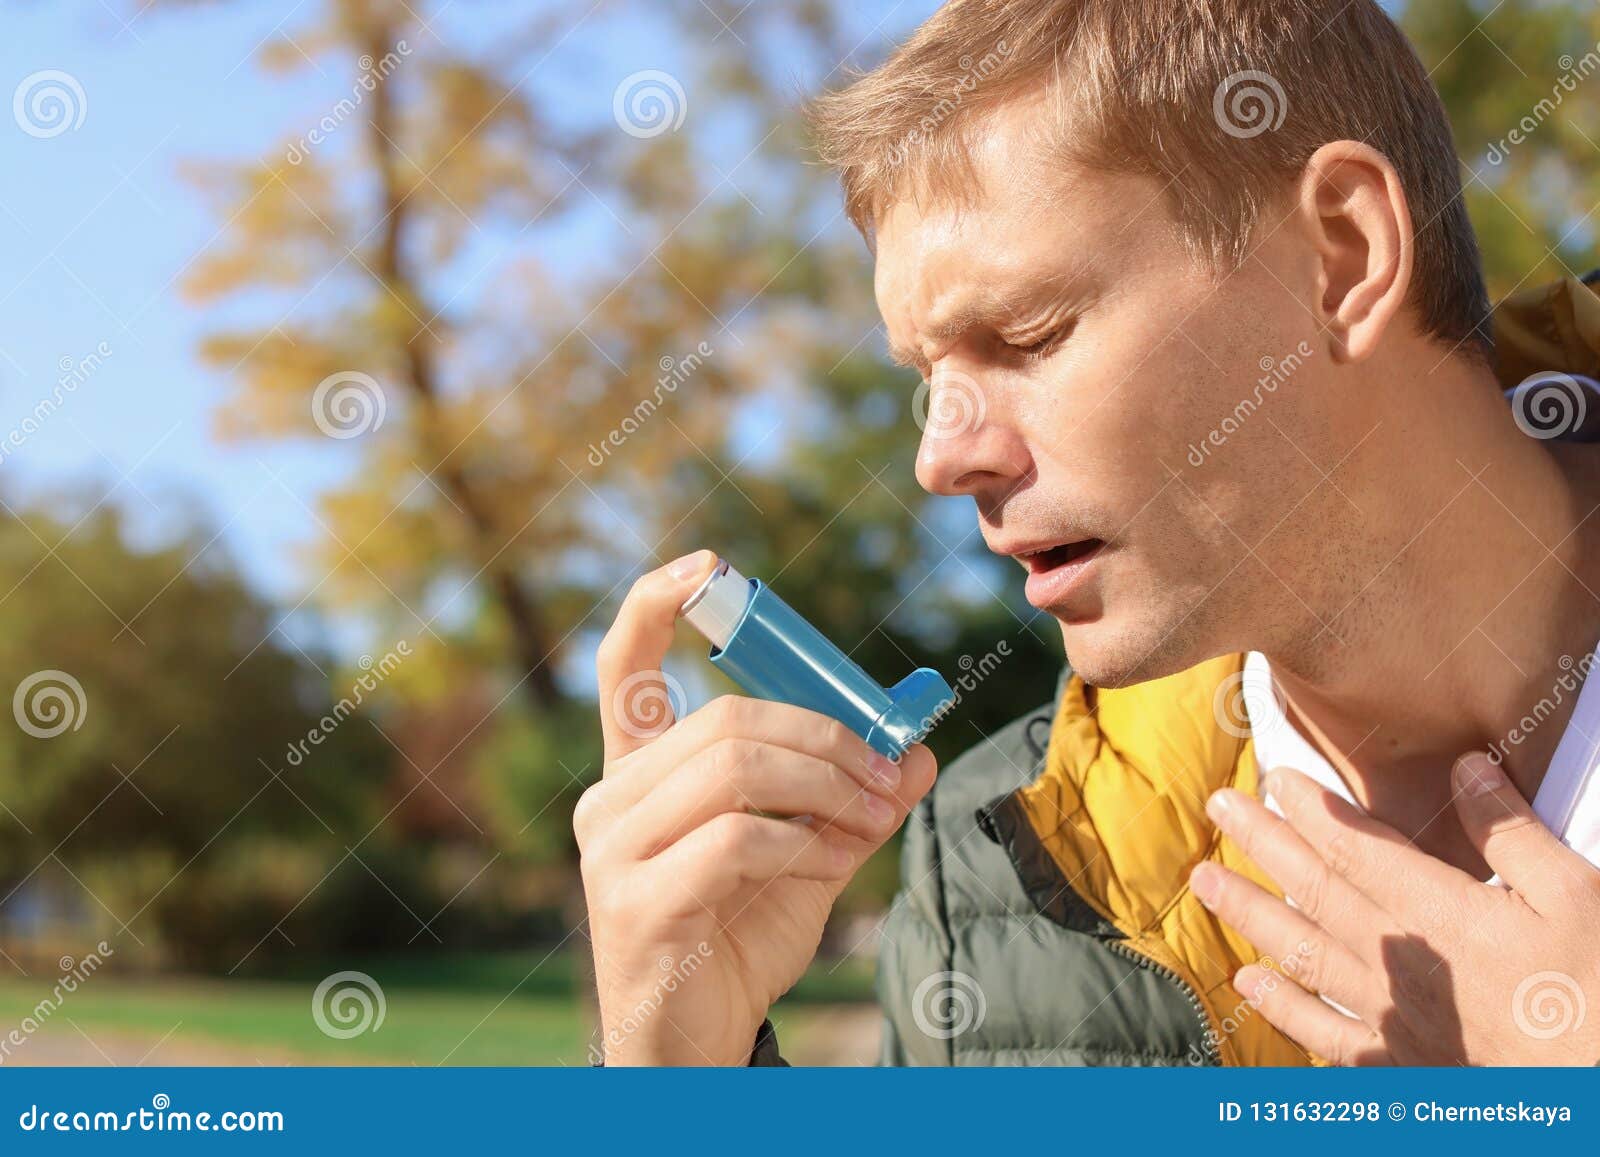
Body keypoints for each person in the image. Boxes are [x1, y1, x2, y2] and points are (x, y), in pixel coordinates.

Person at [579, 0, 1600, 1066]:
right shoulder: (987, 872)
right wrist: (679, 1074)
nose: (940, 458)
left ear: (1340, 255)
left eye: (1029, 333)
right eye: (926, 378)